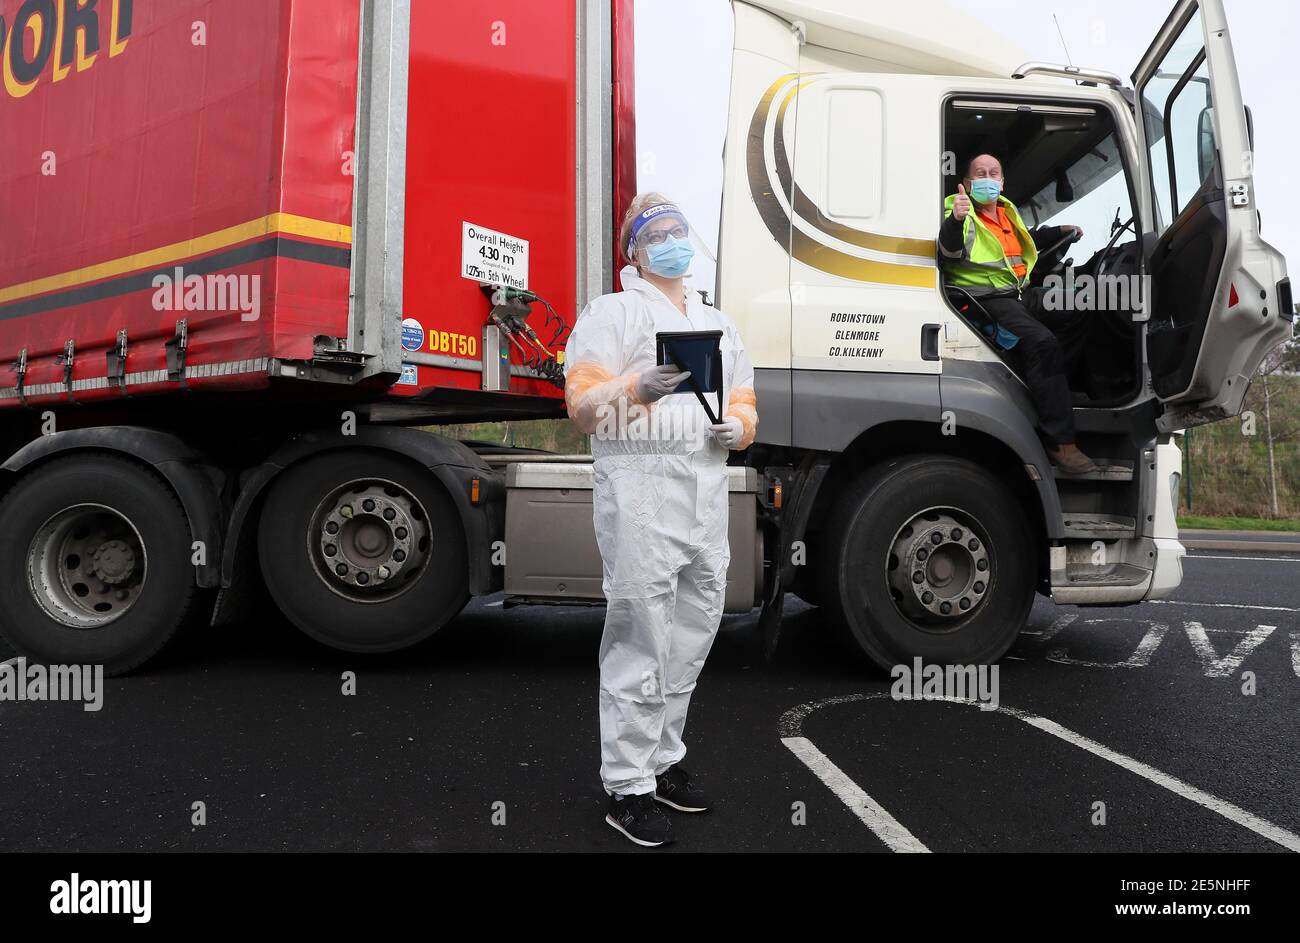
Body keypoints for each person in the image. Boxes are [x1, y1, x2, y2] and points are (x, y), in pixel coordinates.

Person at [563, 192, 758, 847]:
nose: (672, 241)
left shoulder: (717, 322)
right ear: (634, 252)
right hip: (641, 492)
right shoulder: (612, 313)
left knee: (692, 634)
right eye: (657, 233)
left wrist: (743, 427)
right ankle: (626, 785)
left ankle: (663, 760)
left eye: (680, 229)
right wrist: (636, 389)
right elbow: (585, 408)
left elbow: (743, 393)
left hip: (703, 492)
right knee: (640, 637)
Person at [938, 153, 1098, 474]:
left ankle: (1049, 385)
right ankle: (1059, 441)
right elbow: (948, 251)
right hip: (987, 298)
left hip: (1021, 294)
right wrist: (955, 219)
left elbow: (1027, 241)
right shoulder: (959, 210)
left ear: (1001, 181)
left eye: (993, 172)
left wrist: (1060, 231)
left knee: (1083, 304)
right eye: (980, 173)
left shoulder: (1006, 211)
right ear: (968, 184)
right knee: (1043, 343)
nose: (988, 177)